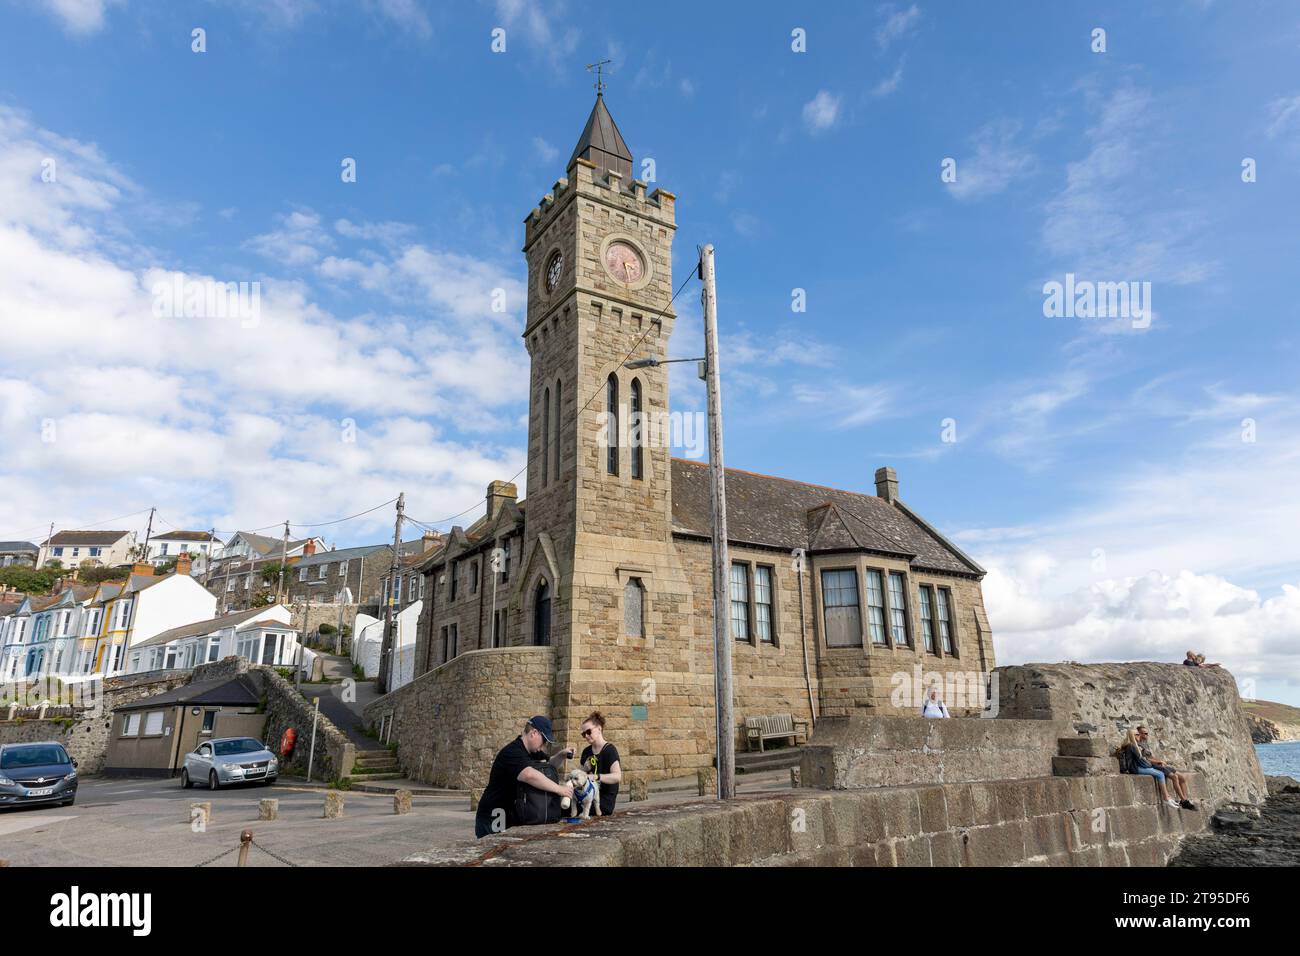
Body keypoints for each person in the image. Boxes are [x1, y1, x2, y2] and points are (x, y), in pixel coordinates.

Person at [474, 715, 574, 838]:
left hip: (509, 814)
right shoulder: (513, 751)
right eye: (544, 741)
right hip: (494, 814)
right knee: (493, 852)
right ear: (534, 733)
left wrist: (561, 755)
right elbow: (529, 775)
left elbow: (549, 765)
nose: (543, 746)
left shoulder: (531, 752)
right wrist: (560, 789)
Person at [1117, 728, 1181, 809]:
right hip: (1134, 768)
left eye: (1138, 734)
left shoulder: (1132, 745)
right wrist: (1151, 765)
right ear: (1132, 736)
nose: (1139, 736)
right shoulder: (1132, 746)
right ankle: (1166, 798)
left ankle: (1168, 796)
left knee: (1160, 772)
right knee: (1160, 774)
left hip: (1136, 766)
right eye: (1137, 734)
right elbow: (1141, 760)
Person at [1137, 725, 1197, 810]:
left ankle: (1184, 800)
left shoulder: (1145, 743)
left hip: (1156, 764)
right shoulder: (1138, 745)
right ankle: (1184, 800)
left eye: (1147, 733)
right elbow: (1145, 760)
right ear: (1139, 733)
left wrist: (1160, 761)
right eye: (1145, 733)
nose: (1147, 735)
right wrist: (1158, 762)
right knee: (1174, 777)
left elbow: (1150, 756)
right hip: (1152, 765)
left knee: (1182, 778)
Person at [578, 711, 622, 817]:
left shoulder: (609, 750)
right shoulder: (586, 752)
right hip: (587, 797)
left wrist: (596, 777)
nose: (586, 736)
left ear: (599, 728)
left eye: (588, 732)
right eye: (584, 734)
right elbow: (581, 776)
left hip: (604, 801)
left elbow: (617, 776)